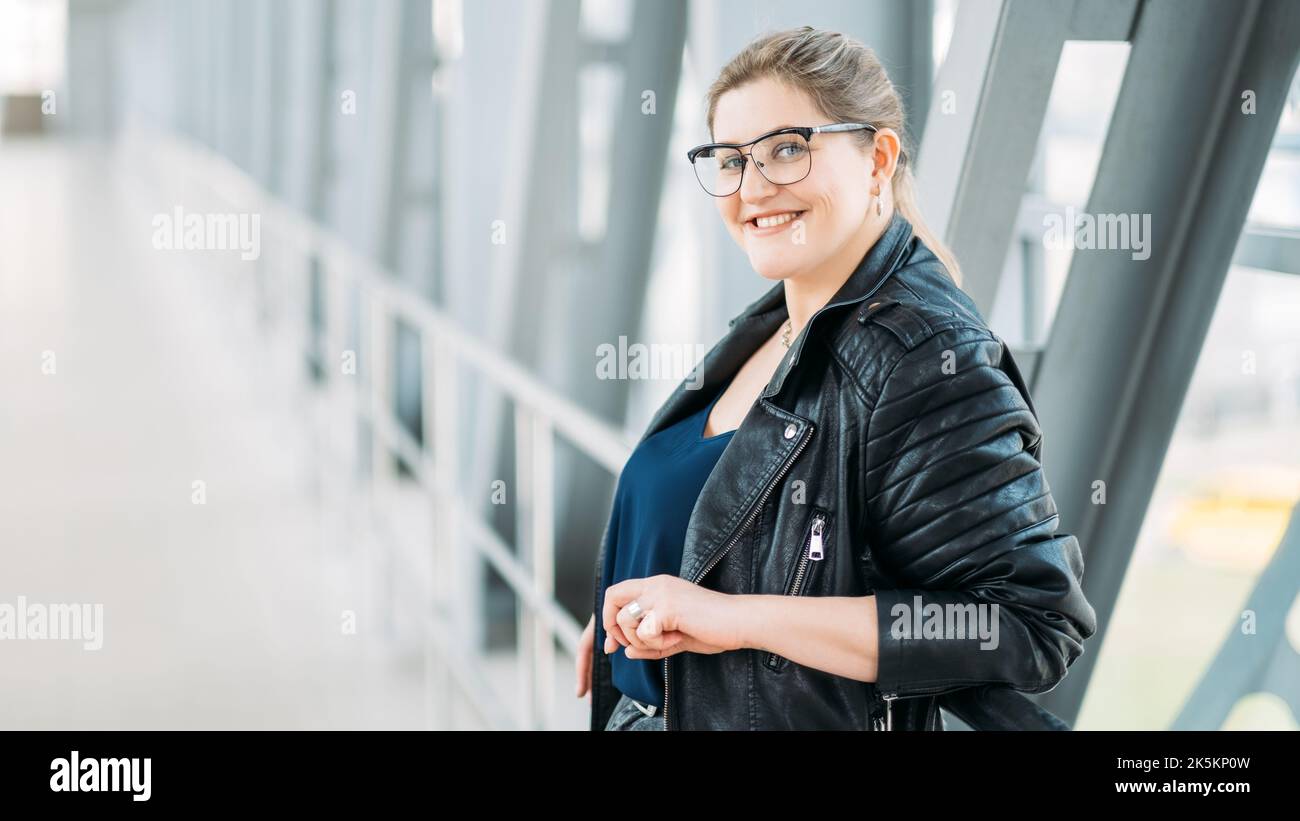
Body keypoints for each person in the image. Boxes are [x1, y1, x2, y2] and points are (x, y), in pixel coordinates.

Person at [574, 25, 1097, 731]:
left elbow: (1029, 622)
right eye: (730, 159)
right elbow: (736, 520)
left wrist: (729, 618)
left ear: (877, 159)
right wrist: (644, 600)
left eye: (788, 150)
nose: (752, 188)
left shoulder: (922, 357)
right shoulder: (775, 322)